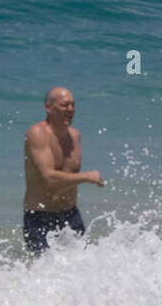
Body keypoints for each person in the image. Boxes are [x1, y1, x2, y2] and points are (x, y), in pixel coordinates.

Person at [23, 87, 103, 254]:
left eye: (73, 105)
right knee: (43, 271)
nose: (70, 110)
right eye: (65, 105)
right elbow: (49, 178)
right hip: (40, 217)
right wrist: (87, 176)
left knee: (82, 267)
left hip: (71, 215)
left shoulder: (75, 136)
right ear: (48, 107)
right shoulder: (37, 134)